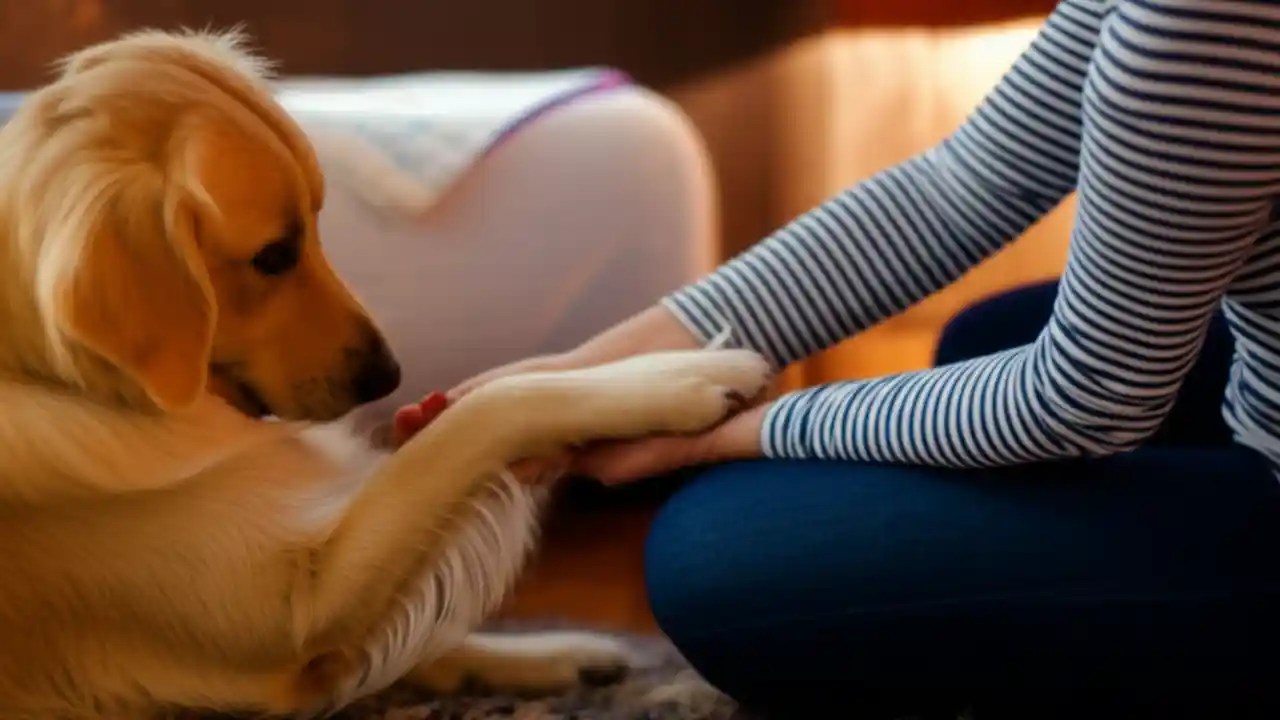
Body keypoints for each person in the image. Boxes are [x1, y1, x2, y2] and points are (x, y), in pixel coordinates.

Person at [397, 1, 1280, 717]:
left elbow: (1085, 400)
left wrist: (713, 432)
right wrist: (589, 372)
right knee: (985, 341)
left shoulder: (1204, 19)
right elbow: (957, 188)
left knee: (718, 556)